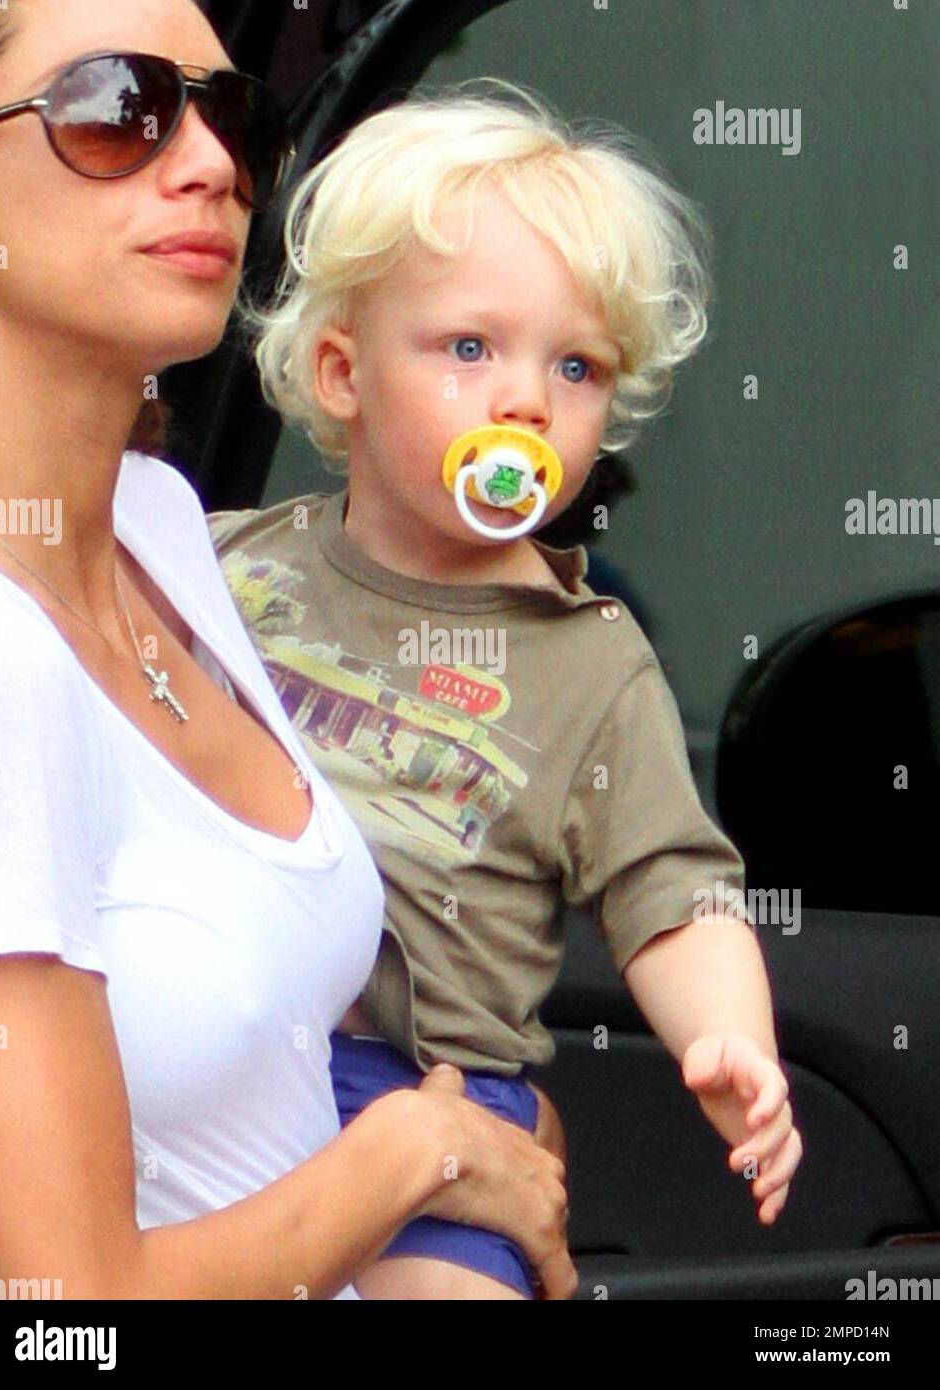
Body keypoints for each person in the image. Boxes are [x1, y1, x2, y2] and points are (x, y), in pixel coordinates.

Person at [0, 0, 575, 1302]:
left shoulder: (159, 521)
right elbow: (67, 1315)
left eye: (230, 113)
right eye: (117, 106)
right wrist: (412, 1153)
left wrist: (463, 1136)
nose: (206, 162)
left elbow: (254, 1043)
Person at [209, 82, 804, 1300]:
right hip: (207, 1067)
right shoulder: (219, 563)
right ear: (341, 373)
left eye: (575, 365)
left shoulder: (587, 657)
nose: (526, 398)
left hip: (434, 1100)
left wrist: (727, 1034)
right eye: (470, 347)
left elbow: (672, 890)